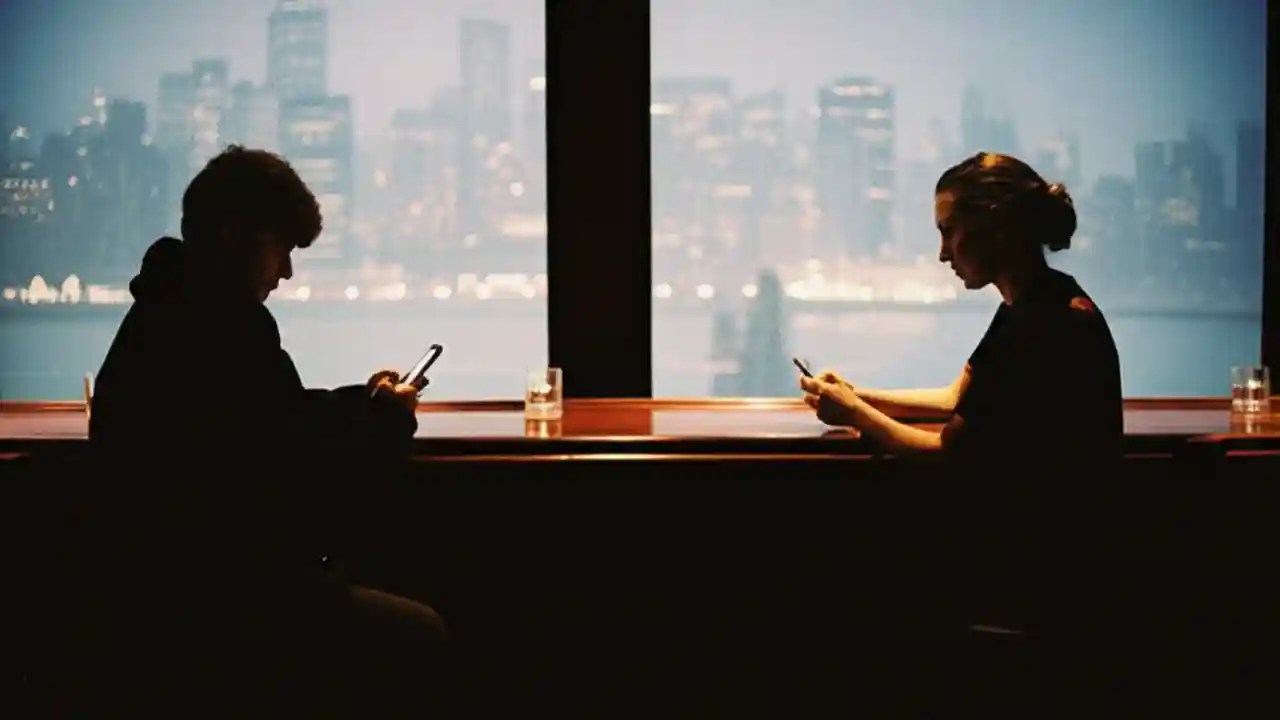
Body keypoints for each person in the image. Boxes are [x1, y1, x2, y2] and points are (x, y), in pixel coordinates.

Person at [81, 146, 447, 716]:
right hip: (232, 612)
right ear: (235, 235)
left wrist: (361, 399)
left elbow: (267, 419)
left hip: (152, 604)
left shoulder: (163, 312)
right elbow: (310, 487)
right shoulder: (231, 328)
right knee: (420, 633)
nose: (287, 271)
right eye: (282, 248)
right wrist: (392, 422)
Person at [800, 152, 1124, 714]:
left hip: (1036, 584)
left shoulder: (1044, 325)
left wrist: (853, 414)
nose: (943, 252)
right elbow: (958, 396)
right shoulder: (1040, 301)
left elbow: (948, 452)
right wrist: (857, 392)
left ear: (994, 223)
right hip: (1047, 567)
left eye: (950, 232)